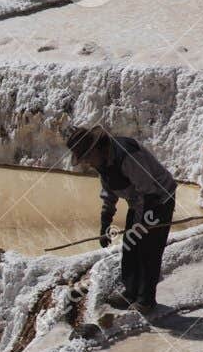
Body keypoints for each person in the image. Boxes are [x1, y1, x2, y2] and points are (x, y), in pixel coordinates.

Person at [65, 125, 177, 313]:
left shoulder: (127, 155)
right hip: (138, 201)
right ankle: (130, 293)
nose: (87, 163)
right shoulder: (102, 162)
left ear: (96, 149)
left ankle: (146, 300)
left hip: (158, 199)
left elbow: (148, 191)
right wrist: (105, 221)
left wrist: (142, 224)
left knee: (148, 251)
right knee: (130, 247)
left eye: (87, 157)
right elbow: (109, 189)